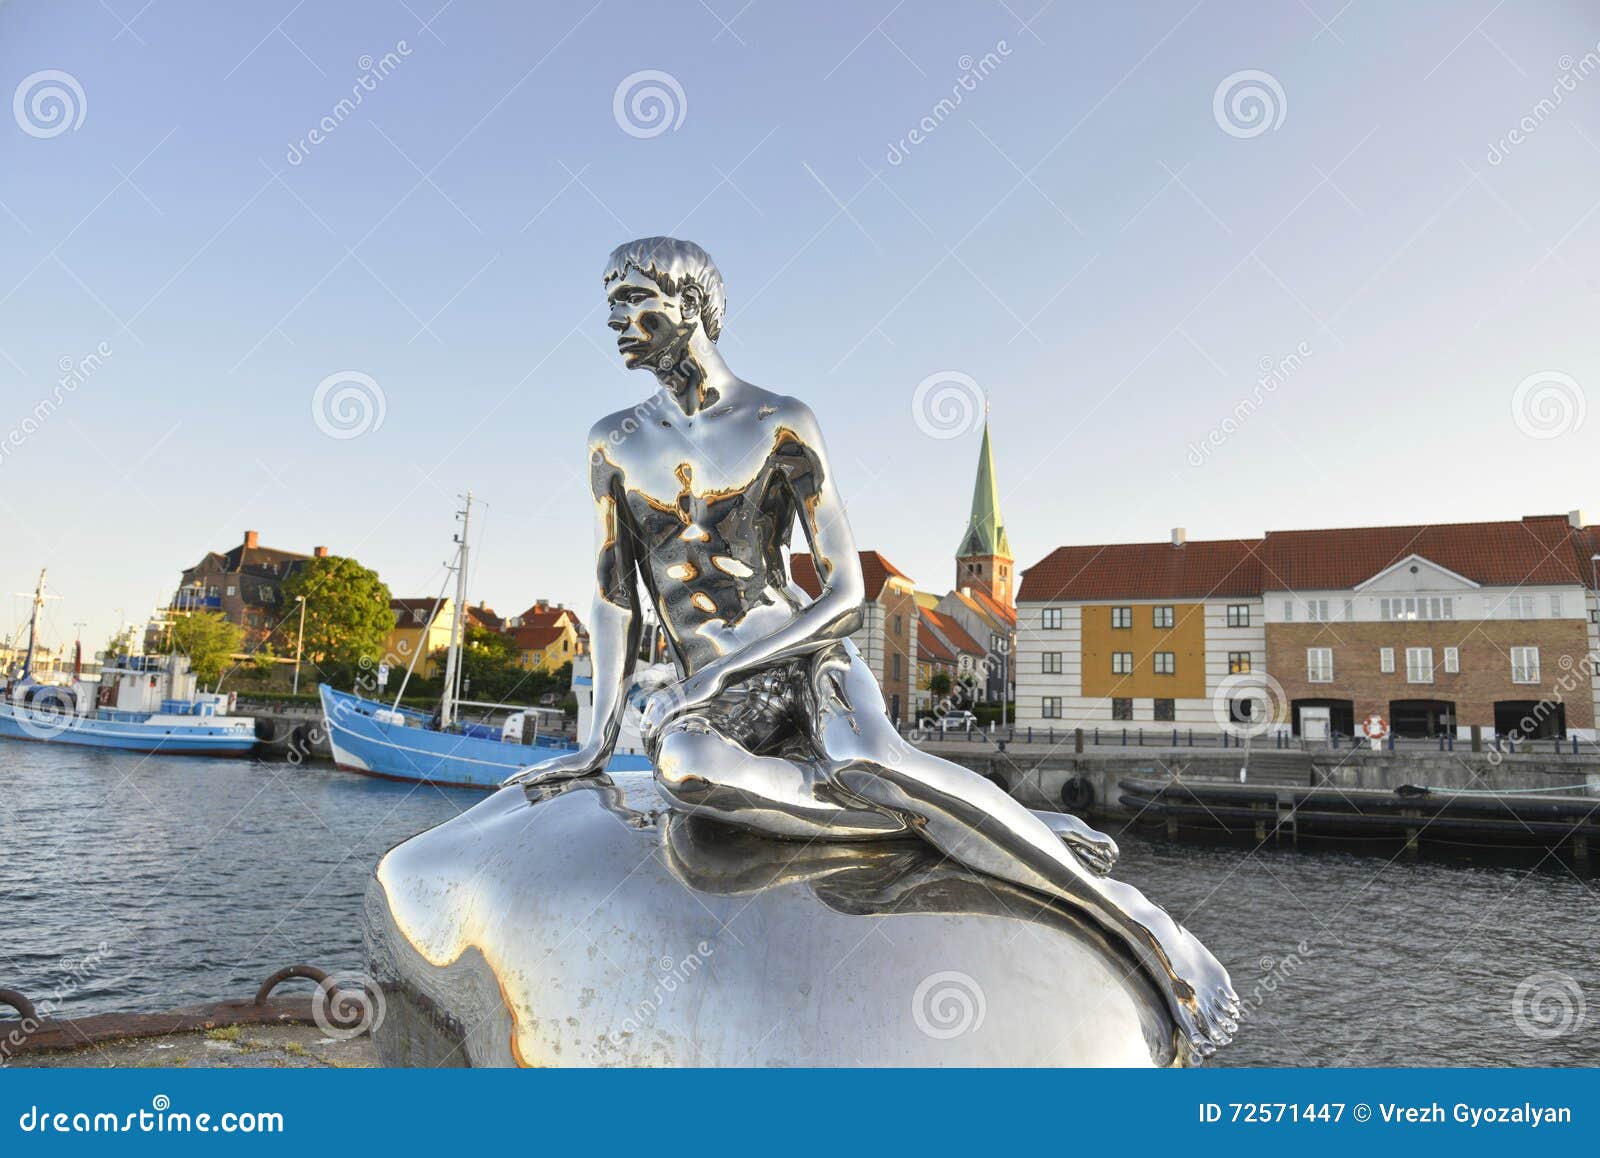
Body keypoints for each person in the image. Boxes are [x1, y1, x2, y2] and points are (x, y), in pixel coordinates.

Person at [507, 238, 1238, 1052]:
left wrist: (718, 680)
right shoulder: (611, 441)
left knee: (868, 763)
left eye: (631, 298)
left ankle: (1143, 926)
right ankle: (969, 821)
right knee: (686, 772)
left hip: (802, 654)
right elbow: (613, 592)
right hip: (710, 694)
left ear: (689, 306)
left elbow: (846, 593)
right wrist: (599, 737)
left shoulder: (778, 421)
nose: (613, 320)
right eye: (609, 302)